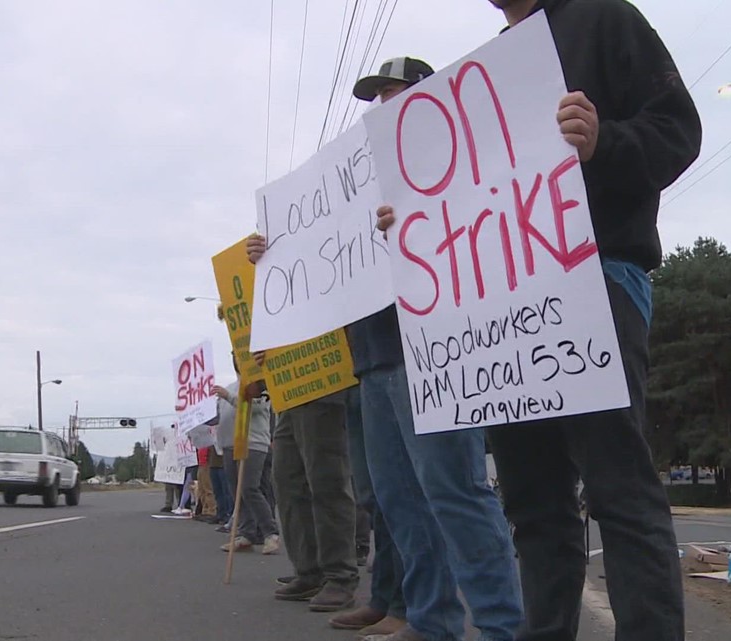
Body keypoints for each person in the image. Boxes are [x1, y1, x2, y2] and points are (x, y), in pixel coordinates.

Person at [377, 3, 703, 639]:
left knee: (618, 489)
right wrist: (412, 214)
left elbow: (677, 131)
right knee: (532, 503)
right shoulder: (488, 68)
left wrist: (604, 139)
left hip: (597, 280)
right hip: (503, 309)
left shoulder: (604, 19)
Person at [248, 55, 524, 641]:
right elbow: (319, 255)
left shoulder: (452, 163)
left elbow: (486, 231)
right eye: (375, 99)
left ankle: (503, 626)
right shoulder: (359, 184)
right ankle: (429, 619)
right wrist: (273, 254)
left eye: (394, 95)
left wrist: (420, 219)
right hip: (372, 357)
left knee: (454, 492)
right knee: (398, 500)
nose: (381, 108)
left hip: (436, 350)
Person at [265, 380, 359, 613]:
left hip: (322, 387)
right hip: (287, 396)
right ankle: (309, 571)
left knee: (327, 480)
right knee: (287, 481)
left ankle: (340, 576)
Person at [328, 385, 407, 638]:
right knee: (374, 497)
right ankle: (383, 599)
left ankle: (406, 605)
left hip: (387, 364)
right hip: (356, 373)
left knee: (400, 495)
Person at [214, 362, 280, 555]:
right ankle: (246, 533)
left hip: (253, 442)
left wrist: (228, 397)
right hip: (229, 444)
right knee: (237, 492)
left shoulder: (261, 384)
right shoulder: (232, 386)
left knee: (250, 488)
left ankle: (270, 532)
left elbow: (257, 408)